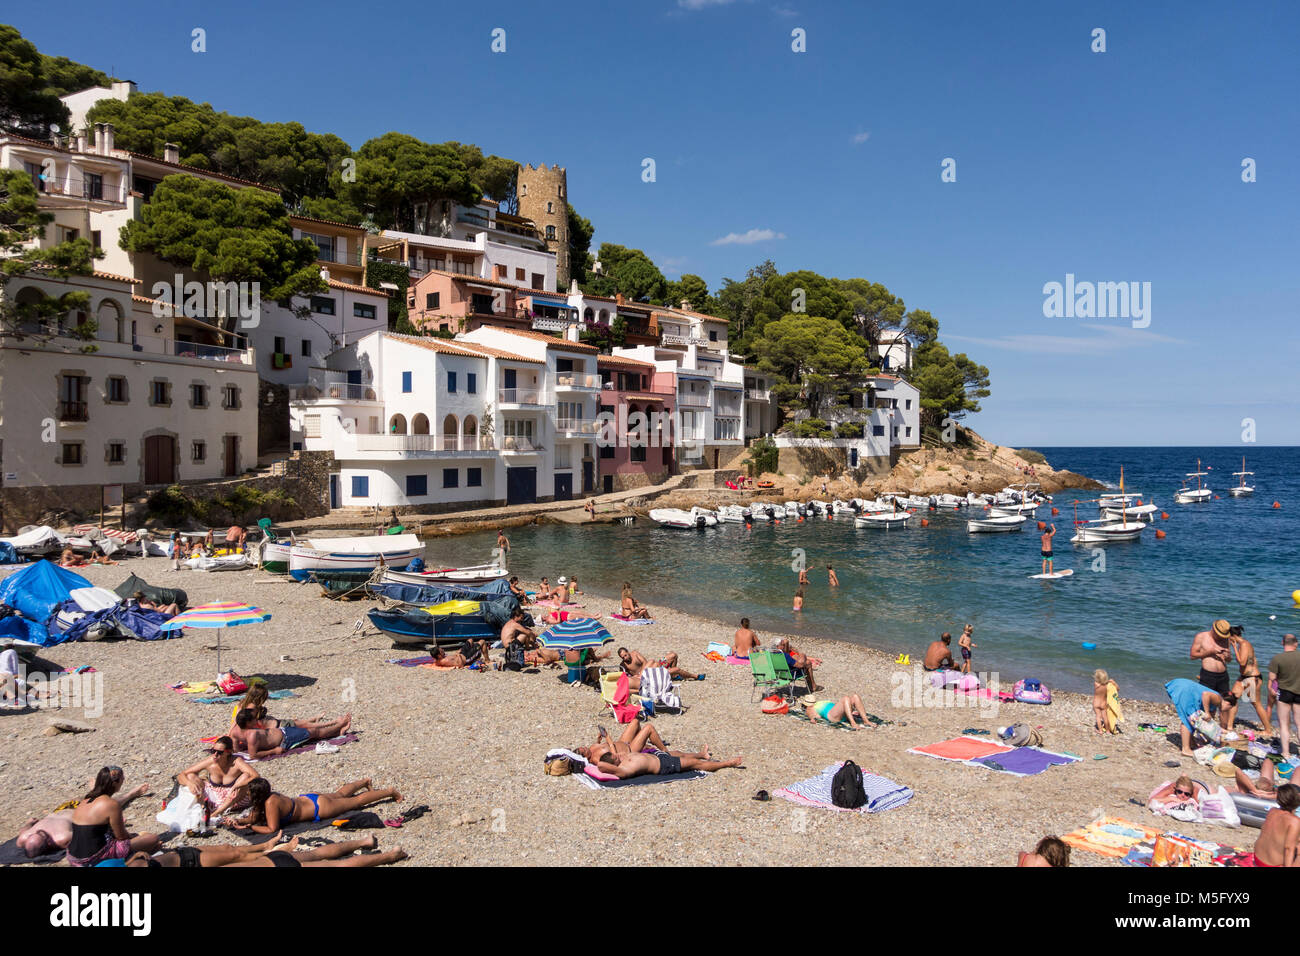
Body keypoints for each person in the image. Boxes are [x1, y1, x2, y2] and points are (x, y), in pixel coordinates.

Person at [16, 770, 150, 859]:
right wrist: (110, 825)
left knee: (93, 799)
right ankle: (131, 794)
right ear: (48, 843)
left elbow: (25, 829)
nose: (40, 831)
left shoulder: (23, 838)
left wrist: (30, 822)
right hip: (77, 812)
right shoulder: (61, 838)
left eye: (36, 832)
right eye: (41, 835)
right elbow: (87, 834)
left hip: (60, 809)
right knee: (106, 803)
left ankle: (95, 790)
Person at [225, 778, 401, 834]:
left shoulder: (270, 802)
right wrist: (237, 821)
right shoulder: (268, 798)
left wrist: (250, 827)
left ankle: (390, 791)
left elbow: (272, 828)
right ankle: (364, 781)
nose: (247, 794)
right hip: (310, 799)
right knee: (340, 794)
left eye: (249, 792)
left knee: (355, 802)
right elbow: (254, 816)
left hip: (319, 809)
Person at [65, 767, 163, 866]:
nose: (123, 780)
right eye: (122, 779)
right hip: (92, 858)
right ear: (115, 783)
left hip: (73, 857)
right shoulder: (111, 804)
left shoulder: (86, 800)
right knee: (152, 839)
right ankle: (132, 857)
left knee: (143, 840)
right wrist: (135, 838)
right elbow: (121, 837)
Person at [176, 736, 260, 817]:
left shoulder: (236, 762)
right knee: (191, 776)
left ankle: (217, 813)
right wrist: (189, 783)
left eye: (219, 752)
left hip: (234, 798)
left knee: (245, 776)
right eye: (213, 751)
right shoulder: (211, 761)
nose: (215, 755)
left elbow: (256, 776)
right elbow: (182, 775)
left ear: (229, 752)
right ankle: (203, 809)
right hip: (214, 795)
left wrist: (239, 785)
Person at [233, 711, 352, 759]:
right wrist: (274, 751)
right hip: (286, 739)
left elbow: (236, 749)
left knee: (309, 729)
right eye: (254, 719)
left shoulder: (235, 730)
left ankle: (338, 731)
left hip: (283, 731)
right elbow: (253, 755)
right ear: (248, 723)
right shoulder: (252, 735)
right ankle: (339, 725)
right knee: (313, 732)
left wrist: (243, 749)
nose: (256, 720)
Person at [591, 747, 742, 780]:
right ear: (614, 762)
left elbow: (611, 755)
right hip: (664, 766)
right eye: (616, 756)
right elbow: (601, 766)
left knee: (679, 752)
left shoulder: (622, 758)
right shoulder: (624, 769)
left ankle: (703, 754)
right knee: (696, 764)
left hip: (659, 757)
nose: (619, 754)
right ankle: (727, 764)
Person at [1164, 677, 1224, 756]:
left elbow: (1204, 723)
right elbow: (1205, 694)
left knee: (1192, 718)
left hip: (1180, 685)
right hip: (1184, 688)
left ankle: (1191, 743)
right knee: (1188, 719)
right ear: (1228, 703)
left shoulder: (1214, 706)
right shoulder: (1219, 699)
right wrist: (1207, 712)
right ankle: (1186, 749)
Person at [1229, 625, 1272, 734]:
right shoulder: (1244, 644)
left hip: (1252, 678)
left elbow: (1242, 662)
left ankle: (1268, 730)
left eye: (1229, 637)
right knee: (1232, 698)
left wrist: (1233, 647)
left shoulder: (1243, 644)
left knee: (1256, 703)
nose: (1228, 639)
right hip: (1245, 677)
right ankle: (1229, 726)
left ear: (1233, 636)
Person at [1247, 784, 1299, 867]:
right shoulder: (1294, 821)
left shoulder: (1272, 811)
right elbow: (1288, 849)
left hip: (1257, 859)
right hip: (1273, 865)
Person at [575, 719, 670, 764]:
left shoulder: (591, 748)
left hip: (623, 742)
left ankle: (642, 743)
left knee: (635, 722)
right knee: (649, 728)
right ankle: (665, 752)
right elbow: (613, 758)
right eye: (584, 750)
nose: (585, 747)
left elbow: (602, 747)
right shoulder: (595, 759)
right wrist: (608, 737)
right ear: (585, 757)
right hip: (629, 750)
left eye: (582, 747)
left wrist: (599, 740)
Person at [1268, 633, 1300, 760]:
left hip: (1285, 692)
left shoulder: (1277, 658)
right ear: (1296, 644)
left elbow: (1272, 678)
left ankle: (1286, 752)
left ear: (1282, 643)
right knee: (1299, 723)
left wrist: (1272, 689)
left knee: (1284, 724)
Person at [1190, 619, 1234, 698]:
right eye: (1219, 635)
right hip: (1208, 675)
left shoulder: (1226, 639)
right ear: (1213, 629)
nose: (1221, 637)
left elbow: (1229, 660)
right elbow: (1192, 656)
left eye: (1222, 635)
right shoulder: (1201, 637)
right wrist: (1209, 652)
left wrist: (1228, 657)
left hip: (1223, 676)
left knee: (1226, 702)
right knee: (1207, 702)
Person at [802, 693, 872, 728]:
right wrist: (813, 718)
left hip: (839, 713)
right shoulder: (810, 708)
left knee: (855, 696)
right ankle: (853, 723)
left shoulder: (816, 704)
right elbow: (812, 717)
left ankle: (866, 720)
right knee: (846, 698)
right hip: (832, 716)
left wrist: (850, 710)